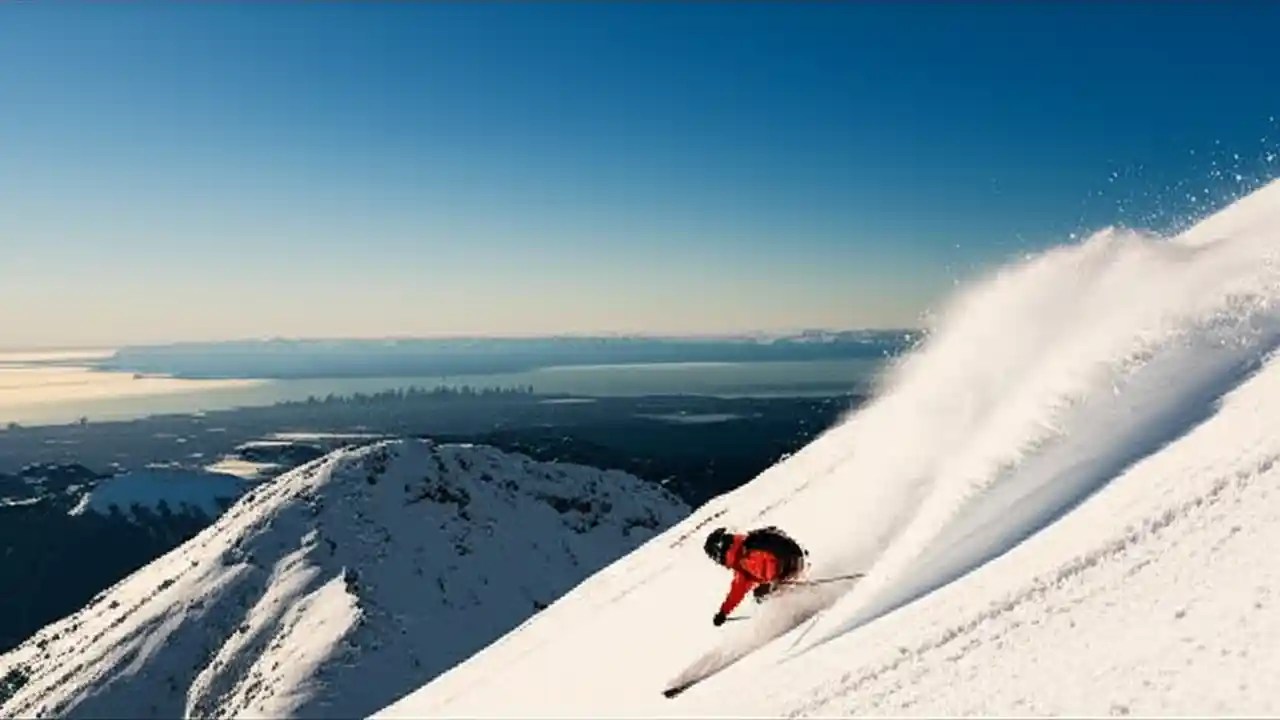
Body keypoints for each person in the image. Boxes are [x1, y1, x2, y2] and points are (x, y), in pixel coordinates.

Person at [703, 526, 807, 626]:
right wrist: (723, 612)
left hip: (788, 563)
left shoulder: (747, 550)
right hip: (791, 561)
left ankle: (796, 611)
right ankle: (795, 608)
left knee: (762, 593)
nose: (717, 561)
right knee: (760, 594)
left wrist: (774, 580)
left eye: (714, 556)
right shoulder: (742, 559)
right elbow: (737, 592)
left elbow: (769, 558)